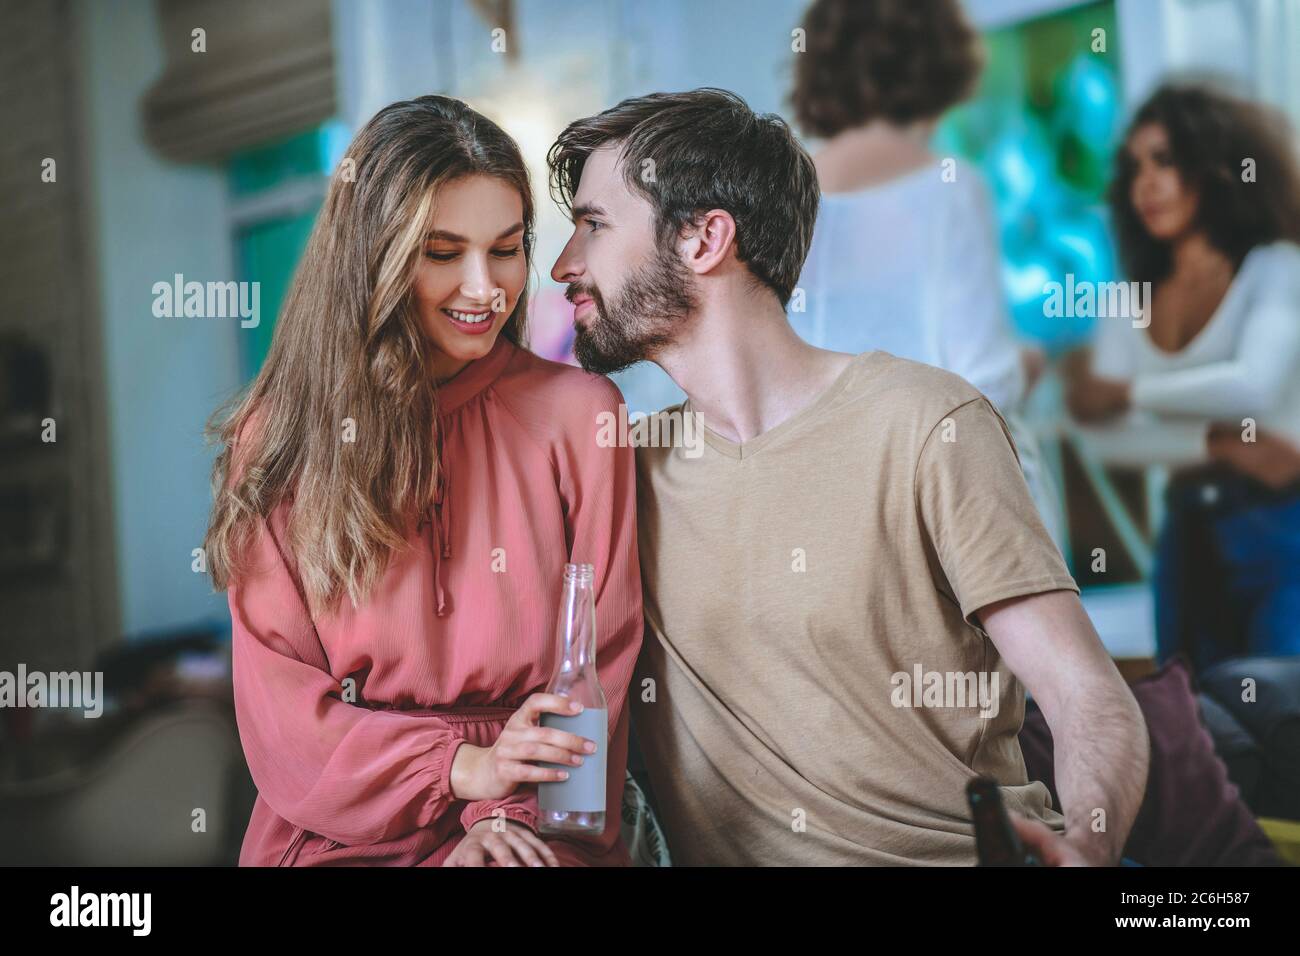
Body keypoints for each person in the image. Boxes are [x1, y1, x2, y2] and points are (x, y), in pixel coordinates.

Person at [547, 88, 1148, 866]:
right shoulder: (622, 474)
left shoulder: (928, 425)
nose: (564, 265)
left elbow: (1087, 697)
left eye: (593, 226)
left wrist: (1089, 848)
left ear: (704, 240)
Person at [205, 96, 642, 867]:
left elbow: (598, 673)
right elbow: (281, 715)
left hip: (534, 823)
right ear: (372, 255)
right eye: (442, 253)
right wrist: (454, 769)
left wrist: (503, 819)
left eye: (506, 248)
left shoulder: (583, 417)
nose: (485, 288)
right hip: (336, 828)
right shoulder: (279, 438)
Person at [789, 0, 1063, 546]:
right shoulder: (951, 187)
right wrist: (1029, 362)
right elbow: (984, 381)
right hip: (949, 507)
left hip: (832, 507)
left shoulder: (784, 192)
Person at [1066, 81, 1300, 670]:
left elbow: (1254, 385)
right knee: (1199, 730)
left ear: (1215, 169)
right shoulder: (1128, 296)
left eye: (1165, 161)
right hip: (1188, 532)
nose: (1146, 182)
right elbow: (1102, 438)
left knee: (1284, 722)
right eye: (1134, 167)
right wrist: (1217, 441)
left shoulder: (1276, 268)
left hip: (1281, 524)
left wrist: (1127, 395)